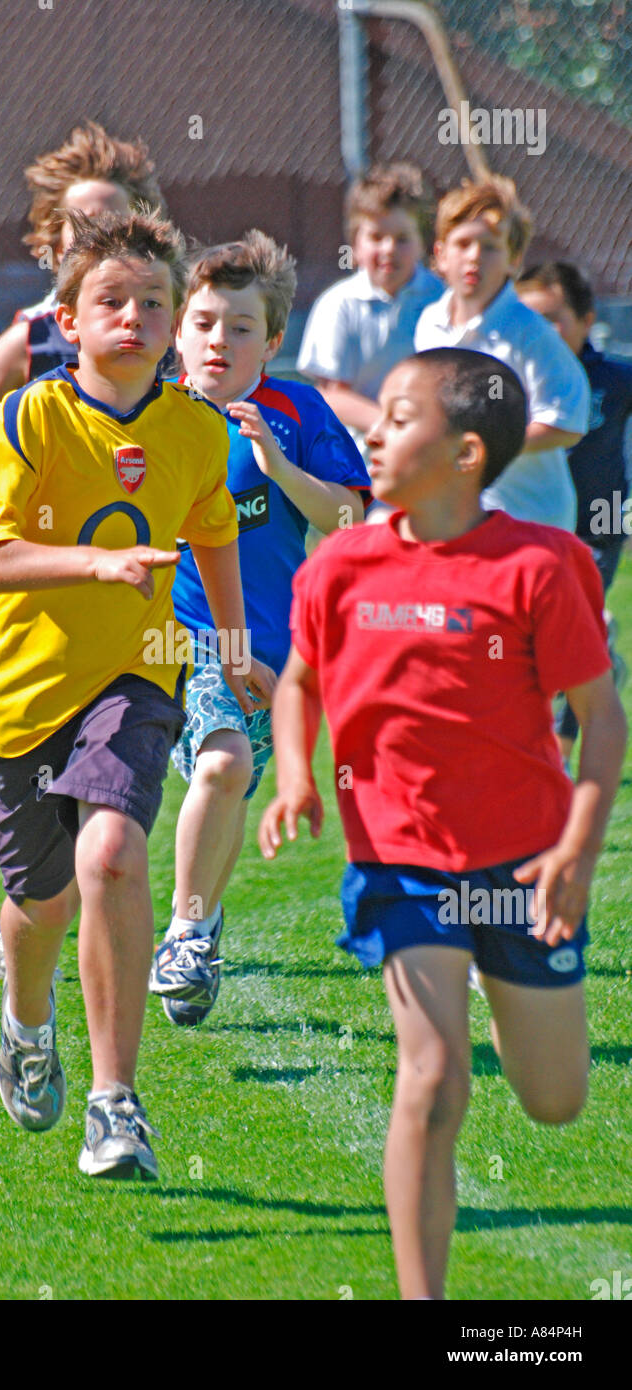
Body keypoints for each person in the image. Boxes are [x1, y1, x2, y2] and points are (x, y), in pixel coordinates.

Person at [259, 348, 626, 1300]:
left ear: (465, 452)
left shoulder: (545, 566)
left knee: (555, 1100)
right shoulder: (338, 565)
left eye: (397, 417)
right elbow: (298, 681)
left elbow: (602, 718)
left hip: (524, 874)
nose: (372, 433)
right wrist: (293, 776)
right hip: (401, 865)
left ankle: (518, 1010)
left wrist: (579, 850)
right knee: (431, 1076)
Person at [0, 209, 275, 1180]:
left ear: (175, 322)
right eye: (111, 301)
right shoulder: (27, 419)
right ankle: (27, 1021)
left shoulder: (197, 430)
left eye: (155, 303)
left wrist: (235, 640)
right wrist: (95, 562)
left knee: (116, 854)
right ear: (69, 321)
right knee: (39, 904)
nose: (135, 317)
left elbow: (211, 525)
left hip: (140, 672)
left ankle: (115, 1102)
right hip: (19, 695)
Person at [0, 121, 165, 983]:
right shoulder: (31, 336)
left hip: (126, 580)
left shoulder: (151, 330)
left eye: (112, 225)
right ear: (48, 243)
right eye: (79, 230)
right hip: (26, 552)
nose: (95, 242)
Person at [147, 231, 370, 1025]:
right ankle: (180, 933)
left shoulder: (297, 410)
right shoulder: (141, 409)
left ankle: (197, 924)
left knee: (228, 775)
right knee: (217, 766)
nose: (219, 340)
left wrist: (282, 470)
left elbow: (351, 519)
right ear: (177, 328)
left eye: (240, 327)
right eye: (203, 322)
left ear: (272, 340)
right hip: (162, 642)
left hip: (270, 658)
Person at [414, 176, 589, 531]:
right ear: (440, 255)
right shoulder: (429, 324)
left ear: (514, 259)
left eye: (491, 246)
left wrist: (487, 447)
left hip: (534, 519)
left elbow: (567, 422)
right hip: (459, 515)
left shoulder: (532, 333)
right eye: (463, 243)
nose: (475, 256)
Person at [517, 261, 632, 758]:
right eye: (530, 319)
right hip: (533, 530)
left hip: (598, 525)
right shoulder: (512, 382)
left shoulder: (616, 377)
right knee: (533, 639)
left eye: (553, 318)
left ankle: (558, 751)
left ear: (587, 320)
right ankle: (605, 659)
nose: (540, 332)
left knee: (576, 629)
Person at [296, 163, 442, 456]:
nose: (388, 249)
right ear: (355, 244)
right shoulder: (338, 304)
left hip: (431, 454)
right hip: (362, 459)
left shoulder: (442, 298)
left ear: (422, 243)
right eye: (376, 237)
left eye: (402, 239)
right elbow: (332, 395)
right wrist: (393, 429)